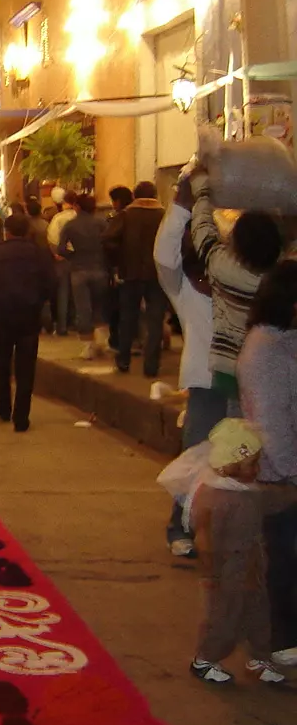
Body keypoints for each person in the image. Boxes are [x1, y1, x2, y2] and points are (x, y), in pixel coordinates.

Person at [187, 418, 287, 684]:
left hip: (252, 566)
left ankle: (258, 657)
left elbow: (270, 499)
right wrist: (212, 572)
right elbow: (205, 538)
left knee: (258, 612)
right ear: (229, 465)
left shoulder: (247, 490)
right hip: (228, 571)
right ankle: (206, 658)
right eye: (251, 464)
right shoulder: (216, 498)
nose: (257, 469)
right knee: (224, 617)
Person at [236, 261, 297, 668]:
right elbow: (271, 424)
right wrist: (293, 471)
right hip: (281, 477)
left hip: (284, 471)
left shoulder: (280, 342)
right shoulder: (266, 352)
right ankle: (281, 640)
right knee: (285, 561)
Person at [157, 172, 220, 559]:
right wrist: (181, 203)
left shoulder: (245, 285)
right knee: (196, 457)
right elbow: (164, 256)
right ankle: (179, 527)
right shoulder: (185, 290)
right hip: (206, 384)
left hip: (251, 383)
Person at [188, 174, 285, 408]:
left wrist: (201, 189)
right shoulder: (283, 276)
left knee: (240, 432)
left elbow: (201, 228)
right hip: (273, 367)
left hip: (229, 368)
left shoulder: (222, 267)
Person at [0, 212, 56, 432]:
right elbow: (51, 284)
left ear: (6, 231)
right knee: (26, 368)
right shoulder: (39, 254)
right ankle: (21, 416)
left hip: (1, 316)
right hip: (29, 316)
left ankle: (3, 407)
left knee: (2, 364)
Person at [107, 181, 167, 376]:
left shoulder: (125, 215)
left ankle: (123, 359)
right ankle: (151, 365)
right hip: (158, 274)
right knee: (155, 319)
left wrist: (120, 261)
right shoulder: (164, 216)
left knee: (128, 317)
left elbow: (107, 240)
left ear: (134, 196)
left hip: (131, 274)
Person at [59, 193, 110, 359]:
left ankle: (88, 347)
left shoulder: (70, 225)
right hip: (100, 268)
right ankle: (102, 341)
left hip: (79, 270)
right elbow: (110, 244)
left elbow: (61, 249)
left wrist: (73, 256)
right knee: (99, 306)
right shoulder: (102, 223)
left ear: (77, 206)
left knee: (83, 308)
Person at [104, 186, 134, 352]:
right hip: (146, 270)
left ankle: (119, 342)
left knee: (119, 307)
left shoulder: (120, 218)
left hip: (122, 270)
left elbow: (108, 242)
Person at [46, 190, 79, 337]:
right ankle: (78, 323)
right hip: (80, 259)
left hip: (63, 259)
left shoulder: (58, 218)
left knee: (63, 292)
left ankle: (62, 326)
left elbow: (52, 239)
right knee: (79, 293)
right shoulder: (81, 217)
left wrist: (56, 254)